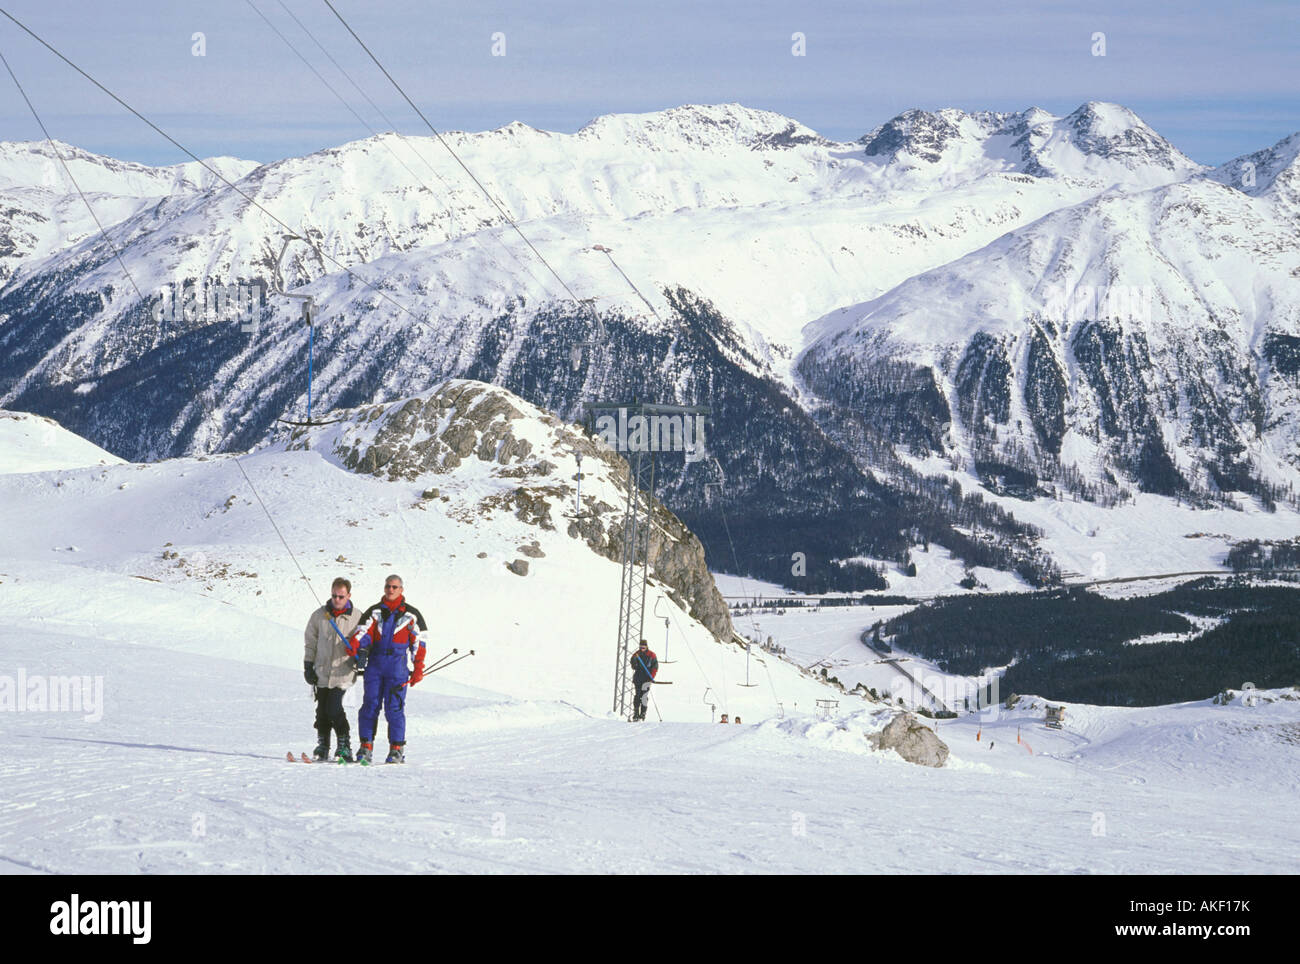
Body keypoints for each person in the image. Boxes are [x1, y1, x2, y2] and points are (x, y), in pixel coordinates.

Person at [347, 574, 427, 764]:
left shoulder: (412, 615)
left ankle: (396, 749)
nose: (390, 590)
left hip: (397, 666)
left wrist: (418, 668)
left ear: (401, 590)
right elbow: (363, 632)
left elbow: (419, 643)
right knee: (370, 705)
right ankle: (366, 746)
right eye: (388, 586)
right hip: (375, 664)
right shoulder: (374, 612)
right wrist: (355, 644)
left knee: (394, 708)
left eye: (394, 587)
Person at [303, 577, 363, 761]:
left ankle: (345, 745)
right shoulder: (319, 615)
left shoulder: (357, 617)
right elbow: (311, 641)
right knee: (321, 710)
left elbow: (366, 639)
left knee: (333, 707)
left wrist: (362, 655)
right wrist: (308, 664)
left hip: (342, 672)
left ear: (349, 595)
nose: (337, 600)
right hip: (322, 670)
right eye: (334, 596)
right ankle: (323, 745)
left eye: (341, 596)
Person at [629, 638, 658, 721]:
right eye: (640, 647)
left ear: (646, 647)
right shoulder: (636, 654)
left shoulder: (652, 655)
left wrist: (651, 677)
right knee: (637, 696)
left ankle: (643, 714)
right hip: (638, 679)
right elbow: (634, 666)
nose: (642, 649)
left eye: (643, 647)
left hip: (647, 679)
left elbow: (655, 667)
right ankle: (636, 714)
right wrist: (634, 661)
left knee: (644, 696)